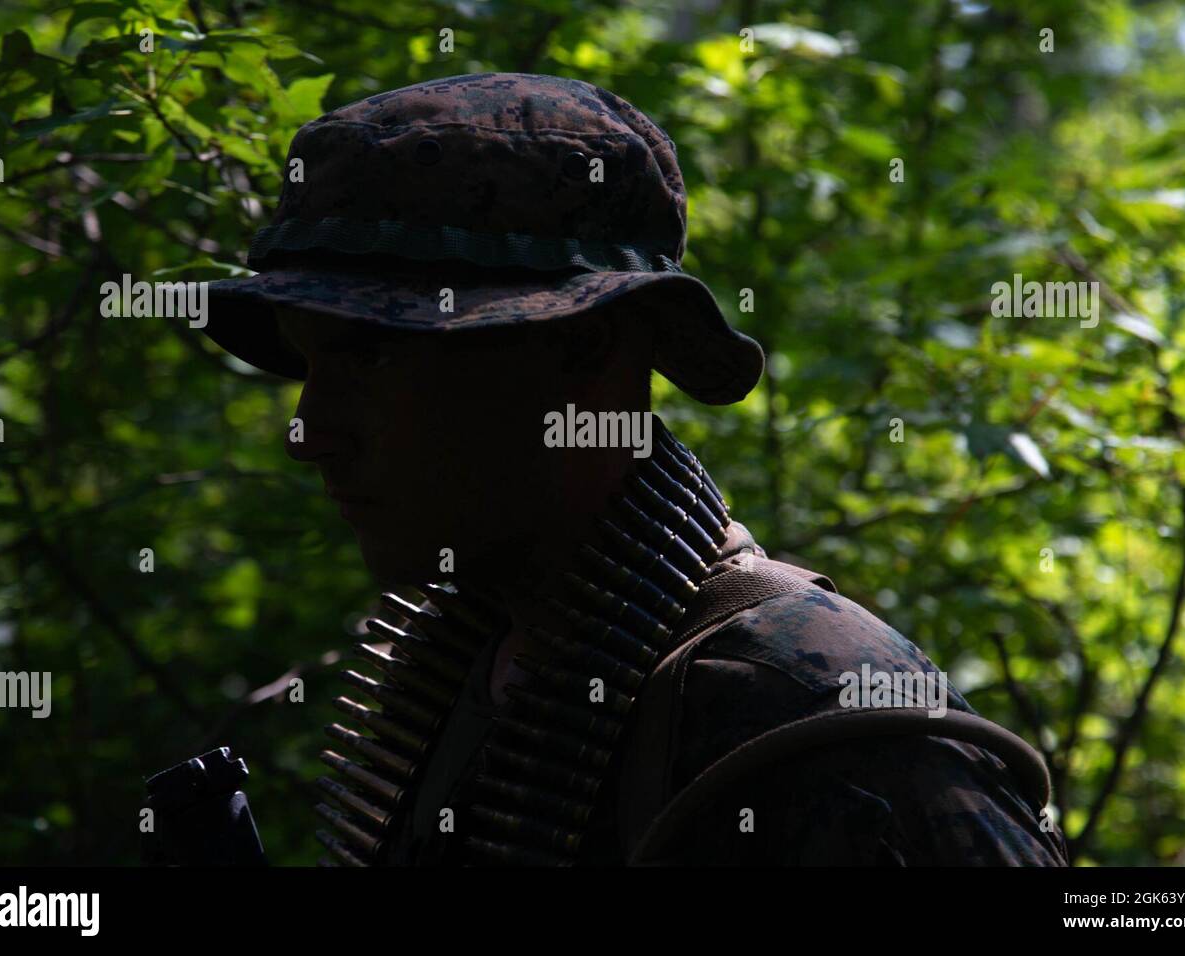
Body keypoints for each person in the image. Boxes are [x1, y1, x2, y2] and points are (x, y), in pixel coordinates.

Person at [202, 72, 1069, 866]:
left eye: (374, 357)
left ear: (585, 345)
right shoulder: (474, 659)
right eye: (308, 362)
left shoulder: (823, 720)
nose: (308, 433)